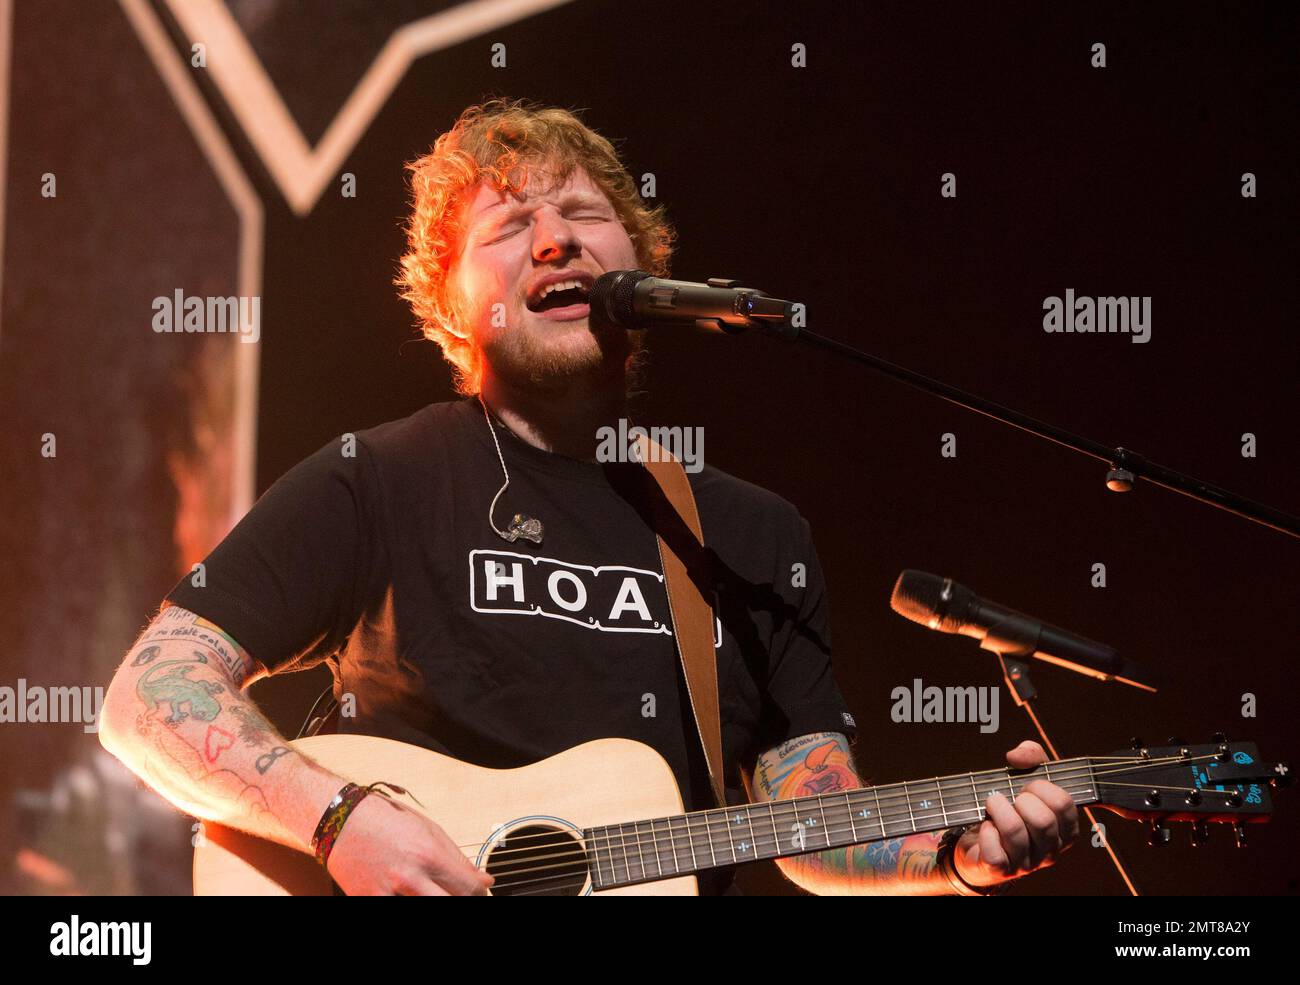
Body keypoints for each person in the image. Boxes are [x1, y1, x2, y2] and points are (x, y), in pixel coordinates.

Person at [99, 98, 1077, 896]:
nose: (555, 242)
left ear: (642, 265)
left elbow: (816, 825)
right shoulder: (377, 476)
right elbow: (148, 699)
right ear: (448, 303)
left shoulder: (749, 533)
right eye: (509, 226)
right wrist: (338, 822)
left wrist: (958, 856)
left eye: (583, 216)